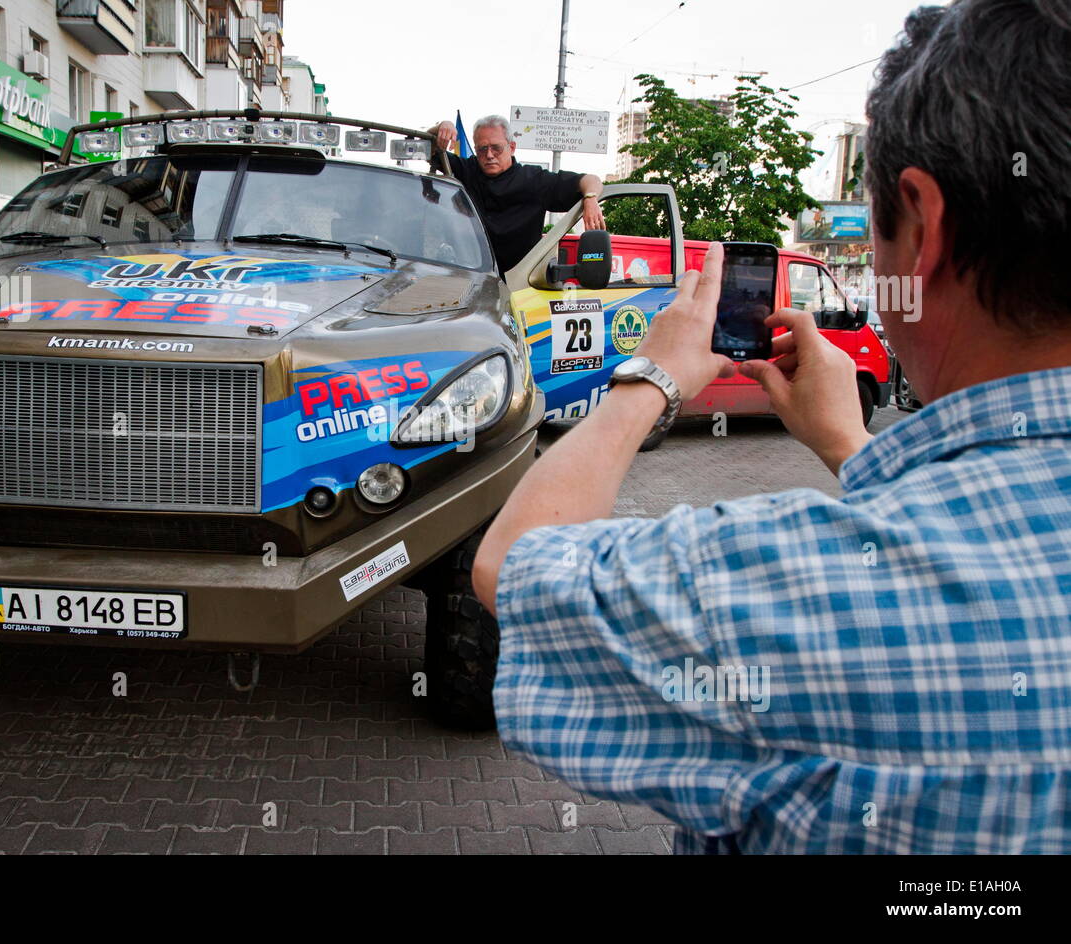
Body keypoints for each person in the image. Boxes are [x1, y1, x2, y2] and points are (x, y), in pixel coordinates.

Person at [472, 0, 1071, 854]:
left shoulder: (787, 586)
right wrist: (846, 445)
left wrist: (649, 380)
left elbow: (513, 566)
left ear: (923, 224)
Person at [428, 114, 605, 274]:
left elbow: (590, 180)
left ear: (511, 147)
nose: (489, 155)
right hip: (473, 278)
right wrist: (442, 126)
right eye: (482, 149)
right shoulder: (467, 170)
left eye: (496, 148)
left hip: (521, 283)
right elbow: (428, 148)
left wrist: (590, 198)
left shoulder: (535, 180)